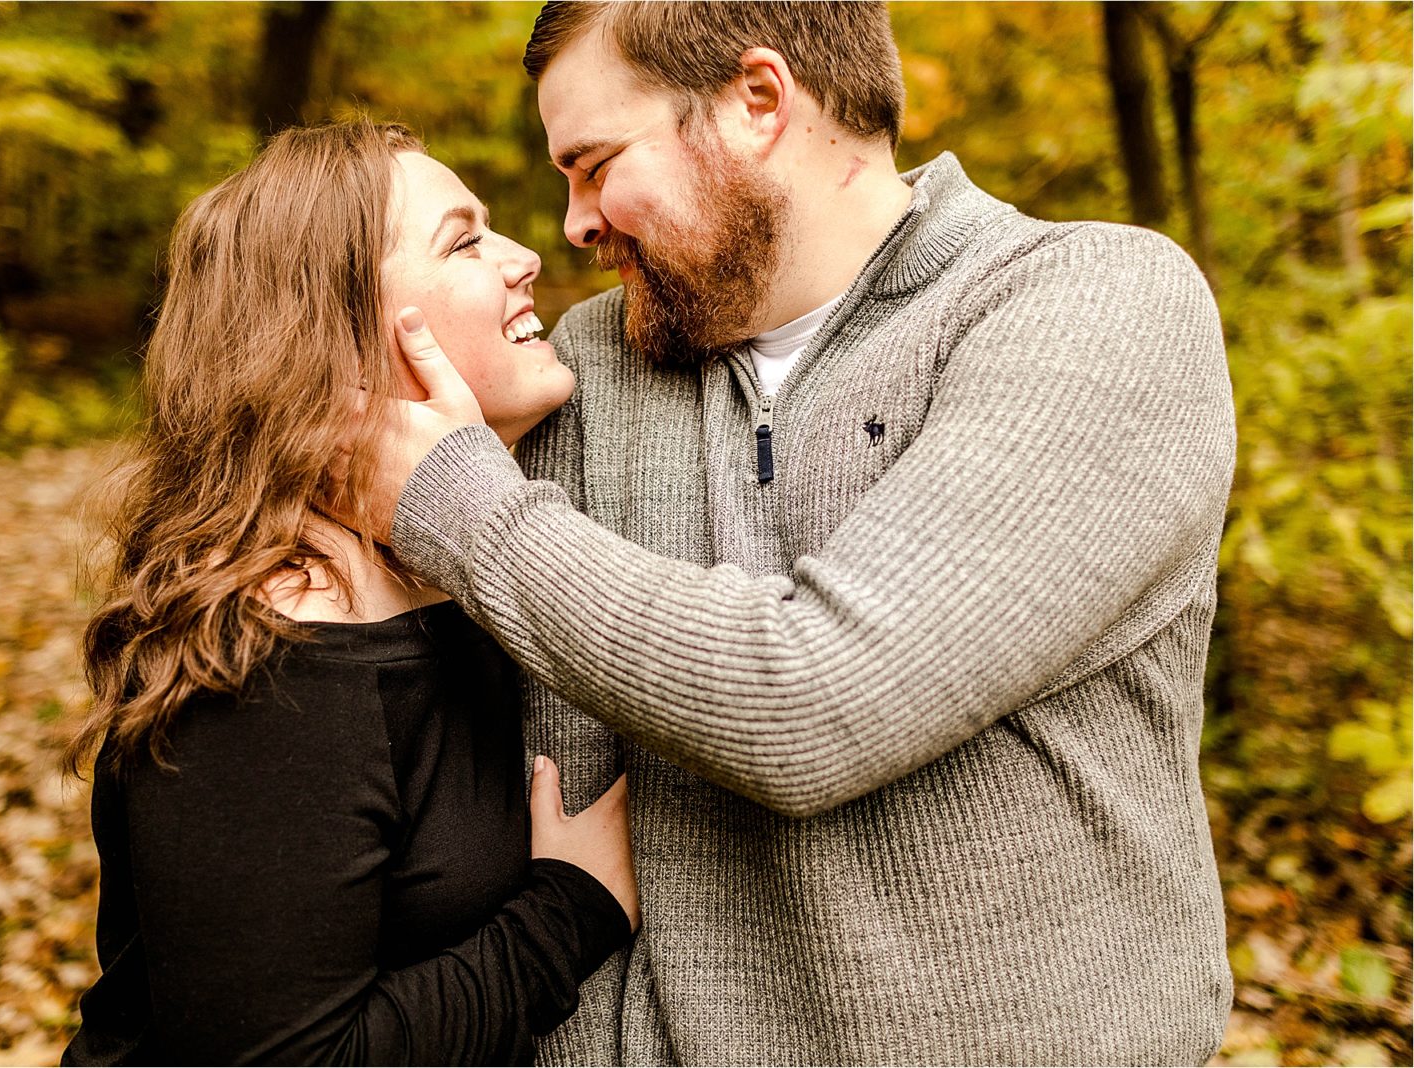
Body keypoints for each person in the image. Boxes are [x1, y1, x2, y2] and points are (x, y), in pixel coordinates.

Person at [365, 2, 1237, 1064]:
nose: (573, 225)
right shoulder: (580, 366)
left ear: (758, 102)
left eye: (594, 164)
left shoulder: (1091, 307)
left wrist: (463, 504)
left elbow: (815, 702)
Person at [60, 120, 638, 1066]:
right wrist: (569, 911)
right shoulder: (273, 667)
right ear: (326, 340)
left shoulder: (453, 580)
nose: (527, 257)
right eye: (463, 241)